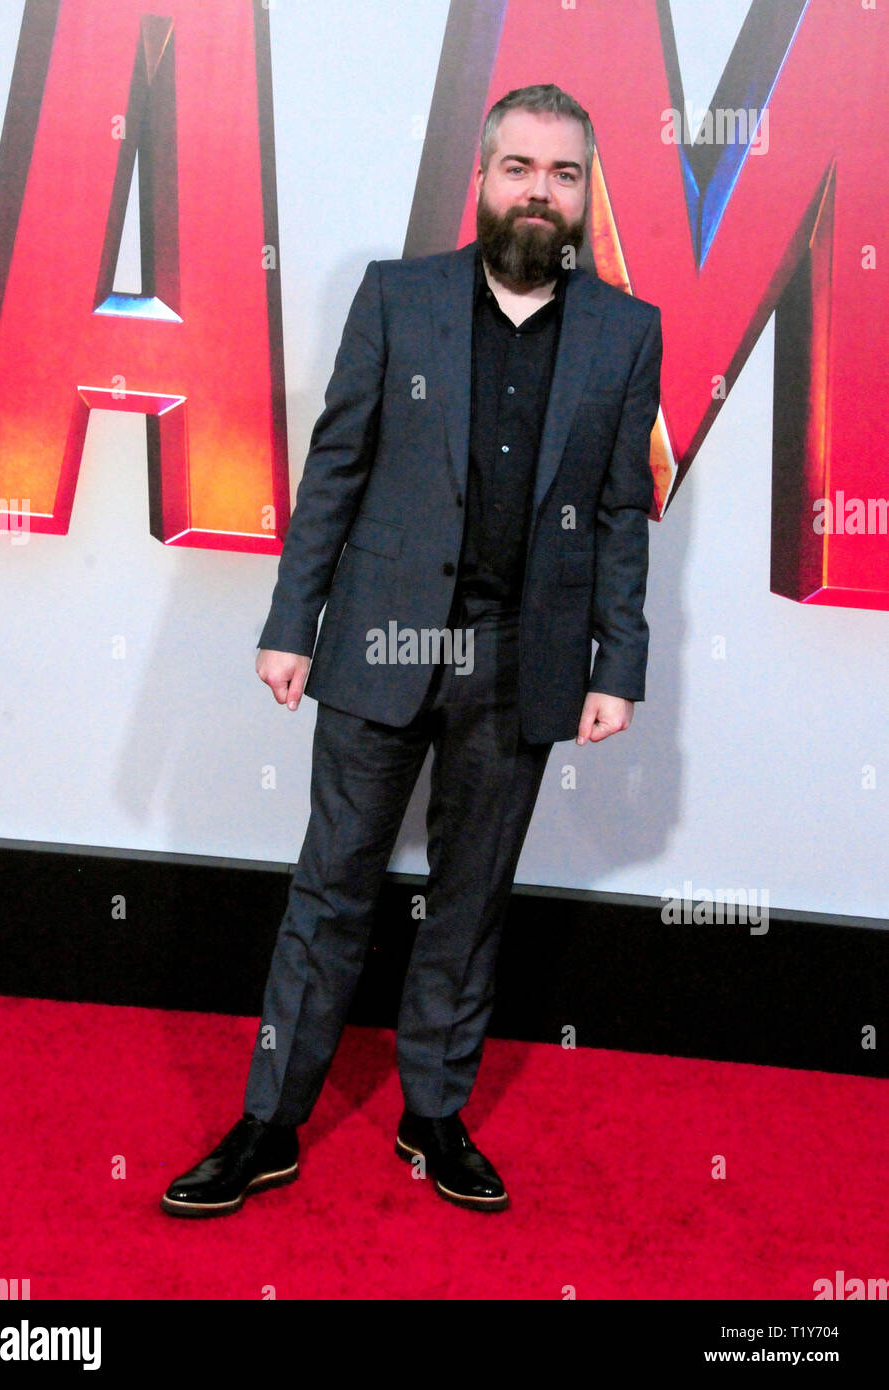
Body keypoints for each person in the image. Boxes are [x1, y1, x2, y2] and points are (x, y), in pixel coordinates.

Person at [162, 83, 661, 1218]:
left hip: (519, 656)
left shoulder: (629, 333)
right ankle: (269, 1121)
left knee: (472, 898)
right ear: (481, 179)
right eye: (522, 168)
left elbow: (624, 511)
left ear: (586, 195)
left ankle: (432, 1113)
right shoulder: (398, 300)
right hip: (384, 639)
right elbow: (335, 466)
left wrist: (616, 662)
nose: (542, 191)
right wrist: (295, 624)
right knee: (327, 888)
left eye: (565, 174)